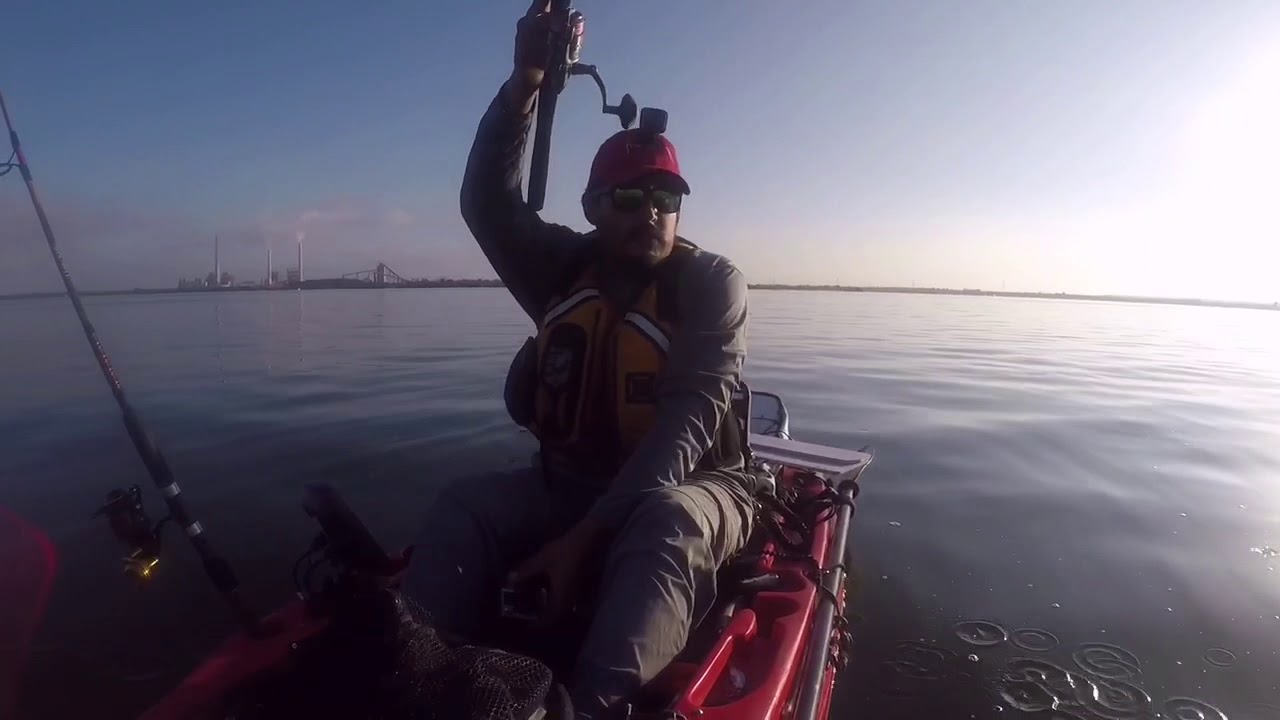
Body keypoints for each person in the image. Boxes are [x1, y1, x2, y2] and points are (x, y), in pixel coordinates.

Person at [402, 2, 757, 716]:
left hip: (695, 487)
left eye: (665, 196)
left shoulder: (711, 284)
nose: (649, 210)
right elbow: (488, 204)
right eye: (629, 196)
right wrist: (526, 82)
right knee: (462, 505)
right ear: (596, 206)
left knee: (666, 524)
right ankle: (419, 670)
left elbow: (686, 430)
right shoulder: (560, 269)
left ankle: (591, 707)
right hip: (568, 484)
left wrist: (582, 542)